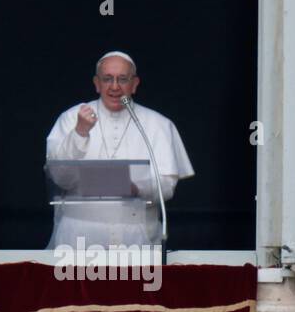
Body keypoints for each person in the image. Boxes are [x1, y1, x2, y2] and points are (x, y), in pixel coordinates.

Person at [45, 51, 195, 249]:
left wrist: (136, 187)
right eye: (107, 79)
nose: (115, 86)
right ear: (96, 83)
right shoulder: (71, 118)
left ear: (135, 84)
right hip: (78, 237)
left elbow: (166, 185)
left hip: (136, 237)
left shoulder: (158, 124)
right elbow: (60, 177)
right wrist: (80, 132)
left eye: (122, 79)